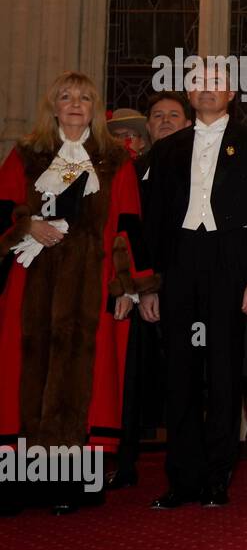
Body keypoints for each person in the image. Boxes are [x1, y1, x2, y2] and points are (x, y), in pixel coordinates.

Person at [0, 72, 154, 513]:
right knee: (25, 374)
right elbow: (1, 208)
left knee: (81, 378)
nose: (74, 104)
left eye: (84, 98)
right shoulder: (26, 156)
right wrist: (27, 224)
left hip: (91, 284)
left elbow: (129, 225)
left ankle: (70, 485)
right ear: (53, 106)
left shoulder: (113, 160)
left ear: (94, 108)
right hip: (30, 283)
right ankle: (20, 481)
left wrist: (130, 288)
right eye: (65, 97)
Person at [140, 65, 247, 508]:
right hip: (180, 264)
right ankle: (181, 479)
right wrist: (148, 285)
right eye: (198, 83)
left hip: (232, 266)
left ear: (232, 92)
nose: (206, 90)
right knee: (179, 372)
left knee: (224, 372)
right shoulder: (168, 149)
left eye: (216, 82)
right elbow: (153, 224)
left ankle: (218, 477)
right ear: (188, 91)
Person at [108, 93, 193, 490]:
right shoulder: (129, 170)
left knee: (188, 378)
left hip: (187, 286)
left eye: (173, 115)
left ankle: (187, 463)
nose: (164, 121)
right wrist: (138, 287)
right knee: (130, 376)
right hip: (140, 288)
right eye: (157, 115)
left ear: (189, 123)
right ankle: (123, 460)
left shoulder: (201, 168)